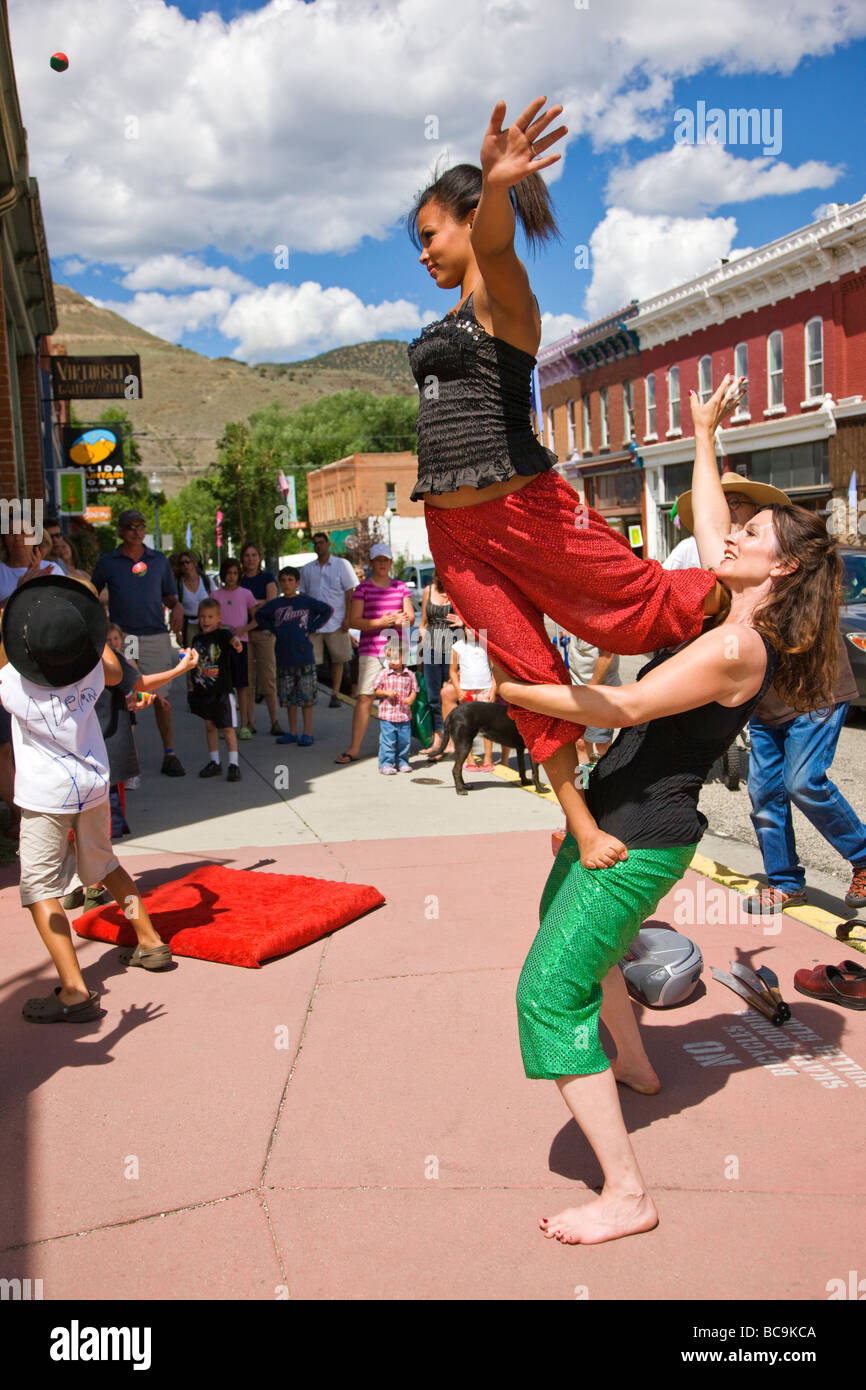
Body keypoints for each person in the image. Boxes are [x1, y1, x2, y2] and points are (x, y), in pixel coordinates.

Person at [488, 374, 844, 1246]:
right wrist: (700, 435)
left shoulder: (735, 645)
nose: (730, 537)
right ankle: (639, 1068)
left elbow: (624, 710)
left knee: (549, 987)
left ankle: (628, 1194)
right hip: (614, 815)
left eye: (755, 535)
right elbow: (710, 524)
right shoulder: (728, 603)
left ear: (783, 567)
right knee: (586, 950)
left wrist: (518, 687)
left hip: (642, 836)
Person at [406, 97, 729, 844]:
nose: (422, 254)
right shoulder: (450, 313)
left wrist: (494, 186)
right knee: (522, 672)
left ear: (467, 217)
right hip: (453, 530)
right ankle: (582, 825)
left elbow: (496, 249)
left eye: (429, 237)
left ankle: (750, 610)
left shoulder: (503, 301)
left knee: (633, 597)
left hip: (526, 505)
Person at [0, 576, 198, 1018]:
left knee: (38, 889)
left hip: (46, 796)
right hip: (91, 784)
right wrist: (89, 621)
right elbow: (115, 668)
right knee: (107, 865)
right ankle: (149, 941)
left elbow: (4, 639)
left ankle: (74, 991)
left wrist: (14, 609)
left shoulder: (12, 681)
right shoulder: (93, 666)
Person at [745, 631, 866, 913]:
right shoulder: (728, 590)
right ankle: (785, 882)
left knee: (802, 782)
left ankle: (862, 855)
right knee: (763, 793)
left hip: (815, 689)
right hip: (764, 701)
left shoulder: (801, 586)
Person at [91, 510, 187, 777]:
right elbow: (90, 592)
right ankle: (124, 762)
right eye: (130, 527)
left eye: (140, 526)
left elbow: (169, 595)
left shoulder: (158, 561)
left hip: (155, 634)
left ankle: (170, 754)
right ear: (121, 531)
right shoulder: (109, 562)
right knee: (125, 697)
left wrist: (177, 606)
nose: (136, 531)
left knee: (161, 697)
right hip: (126, 638)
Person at [334, 544, 414, 764]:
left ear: (390, 562)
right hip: (372, 650)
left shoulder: (400, 587)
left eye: (386, 560)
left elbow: (411, 616)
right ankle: (354, 748)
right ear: (371, 563)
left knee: (400, 698)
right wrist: (383, 622)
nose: (382, 564)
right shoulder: (363, 589)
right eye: (378, 560)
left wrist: (403, 619)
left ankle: (400, 751)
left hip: (397, 649)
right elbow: (354, 621)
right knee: (365, 697)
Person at [254, 566, 332, 746]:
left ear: (297, 582)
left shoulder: (305, 601)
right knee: (289, 697)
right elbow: (259, 615)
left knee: (306, 696)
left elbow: (327, 610)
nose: (286, 584)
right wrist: (274, 629)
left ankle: (307, 732)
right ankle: (292, 731)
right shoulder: (276, 605)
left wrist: (311, 627)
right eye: (283, 580)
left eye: (290, 580)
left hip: (304, 656)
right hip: (284, 657)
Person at [188, 597, 244, 782]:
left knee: (227, 728)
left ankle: (233, 764)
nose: (206, 620)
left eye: (210, 616)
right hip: (203, 691)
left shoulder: (222, 635)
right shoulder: (197, 638)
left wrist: (236, 642)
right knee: (209, 726)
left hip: (222, 690)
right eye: (202, 616)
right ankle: (215, 761)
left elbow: (232, 639)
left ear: (219, 617)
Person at [299, 532, 357, 707]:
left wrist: (348, 617)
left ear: (328, 544)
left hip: (337, 621)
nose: (318, 546)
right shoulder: (307, 569)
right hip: (314, 623)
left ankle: (335, 694)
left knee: (338, 659)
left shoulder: (341, 565)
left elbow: (350, 592)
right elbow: (303, 596)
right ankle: (312, 692)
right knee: (311, 661)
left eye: (321, 542)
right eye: (315, 543)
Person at [238, 542, 283, 735]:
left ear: (260, 558)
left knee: (268, 678)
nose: (250, 559)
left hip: (264, 633)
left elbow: (271, 605)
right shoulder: (239, 580)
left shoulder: (267, 578)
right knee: (247, 679)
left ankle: (275, 721)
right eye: (247, 556)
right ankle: (249, 722)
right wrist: (256, 603)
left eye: (254, 555)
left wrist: (252, 604)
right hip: (243, 635)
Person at [212, 557, 258, 739]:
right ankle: (224, 723)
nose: (231, 577)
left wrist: (243, 629)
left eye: (235, 573)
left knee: (241, 685)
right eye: (228, 573)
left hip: (241, 642)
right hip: (222, 643)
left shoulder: (246, 594)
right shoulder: (215, 595)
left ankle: (245, 724)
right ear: (223, 575)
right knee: (223, 685)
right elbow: (209, 618)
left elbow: (257, 619)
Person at [418, 569, 461, 759]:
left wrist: (461, 622)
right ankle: (438, 740)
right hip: (431, 649)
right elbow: (423, 623)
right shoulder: (428, 590)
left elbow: (469, 619)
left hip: (453, 649)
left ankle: (452, 740)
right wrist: (421, 635)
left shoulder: (457, 591)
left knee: (450, 694)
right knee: (433, 696)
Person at [374, 643, 418, 774]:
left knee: (404, 741)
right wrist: (386, 693)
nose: (391, 661)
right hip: (388, 716)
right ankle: (386, 764)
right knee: (388, 741)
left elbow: (414, 690)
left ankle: (402, 762)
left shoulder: (410, 675)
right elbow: (376, 691)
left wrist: (411, 699)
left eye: (395, 658)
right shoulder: (383, 674)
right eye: (389, 658)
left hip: (404, 715)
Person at [177, 550, 210, 649]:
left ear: (194, 563)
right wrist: (178, 633)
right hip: (189, 625)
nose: (185, 565)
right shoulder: (178, 584)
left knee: (208, 654)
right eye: (182, 563)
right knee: (191, 655)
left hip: (207, 623)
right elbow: (175, 609)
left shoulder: (206, 580)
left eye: (187, 562)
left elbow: (216, 602)